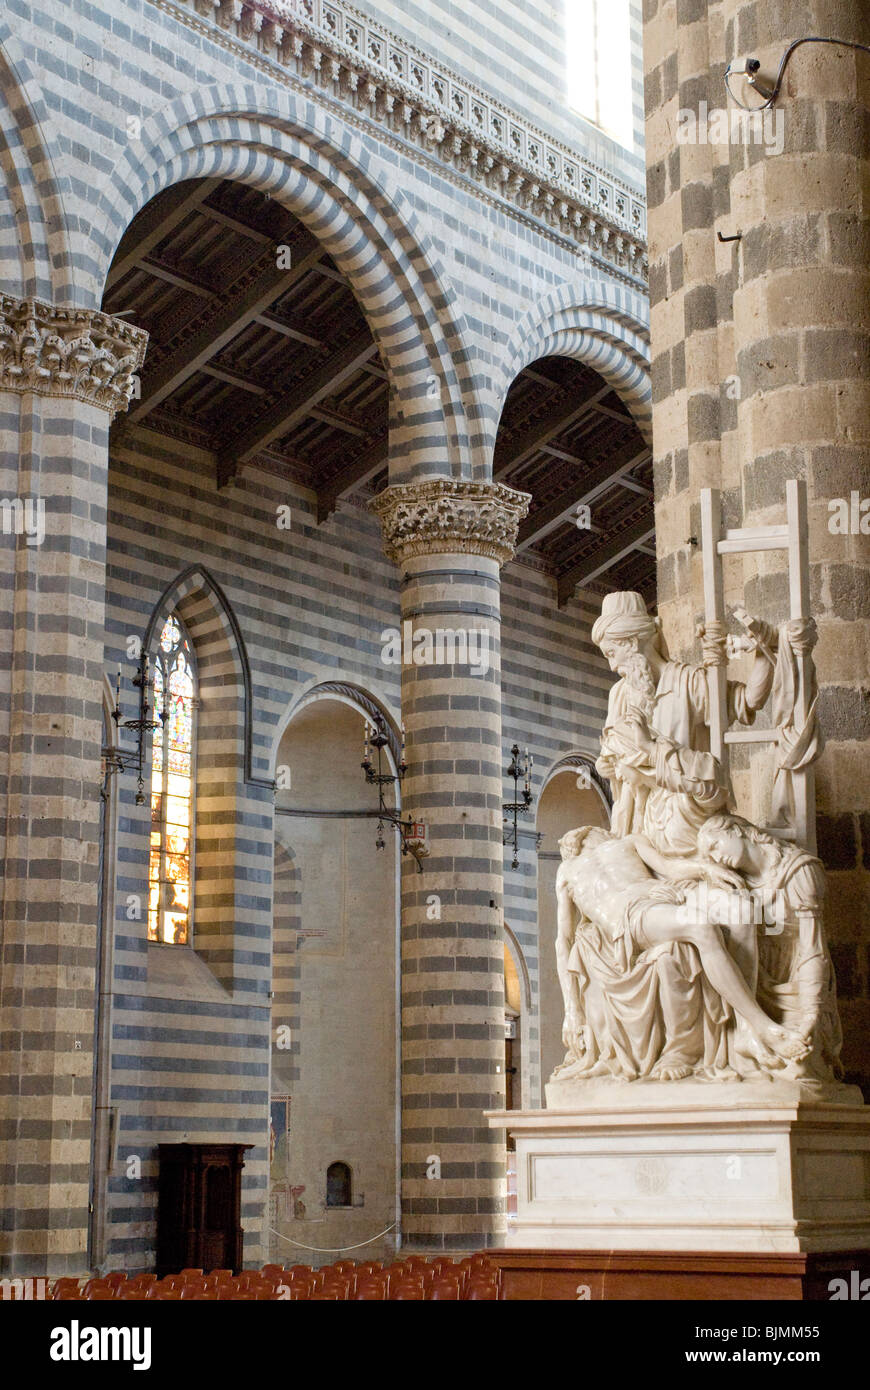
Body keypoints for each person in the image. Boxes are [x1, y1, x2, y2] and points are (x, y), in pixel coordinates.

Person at [554, 826, 810, 1083]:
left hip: (667, 894)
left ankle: (745, 1031)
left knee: (741, 911)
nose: (578, 835)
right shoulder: (567, 871)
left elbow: (669, 867)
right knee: (700, 927)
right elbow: (563, 940)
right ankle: (763, 1026)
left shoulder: (630, 841)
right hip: (632, 915)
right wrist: (571, 1010)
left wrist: (705, 869)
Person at [591, 591, 778, 856]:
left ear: (632, 642)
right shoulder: (619, 694)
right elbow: (613, 761)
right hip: (641, 829)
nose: (611, 666)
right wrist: (608, 765)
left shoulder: (689, 682)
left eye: (612, 652)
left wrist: (765, 650)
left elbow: (749, 700)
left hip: (688, 819)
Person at [696, 813, 841, 1079]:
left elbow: (812, 950)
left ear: (737, 830)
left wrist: (811, 1014)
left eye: (715, 846)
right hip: (751, 986)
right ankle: (748, 1033)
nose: (717, 859)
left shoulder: (799, 871)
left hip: (799, 983)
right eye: (710, 857)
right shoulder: (733, 886)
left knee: (801, 1068)